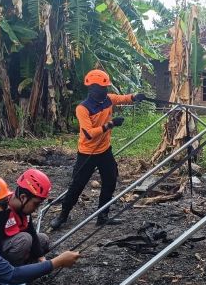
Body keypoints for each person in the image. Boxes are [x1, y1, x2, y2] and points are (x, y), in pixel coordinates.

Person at [50, 69, 146, 229]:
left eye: (106, 87)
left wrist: (135, 97)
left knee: (110, 180)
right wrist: (111, 124)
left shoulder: (108, 100)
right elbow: (88, 134)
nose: (105, 91)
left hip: (104, 151)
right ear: (92, 89)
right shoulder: (83, 108)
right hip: (87, 154)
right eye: (102, 88)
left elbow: (122, 98)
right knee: (77, 185)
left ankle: (103, 215)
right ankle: (63, 215)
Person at [1, 168, 53, 266]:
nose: (36, 209)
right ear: (23, 197)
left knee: (43, 239)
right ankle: (15, 274)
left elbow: (31, 231)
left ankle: (27, 265)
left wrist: (41, 257)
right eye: (36, 204)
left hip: (14, 245)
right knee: (25, 239)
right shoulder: (1, 210)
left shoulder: (23, 209)